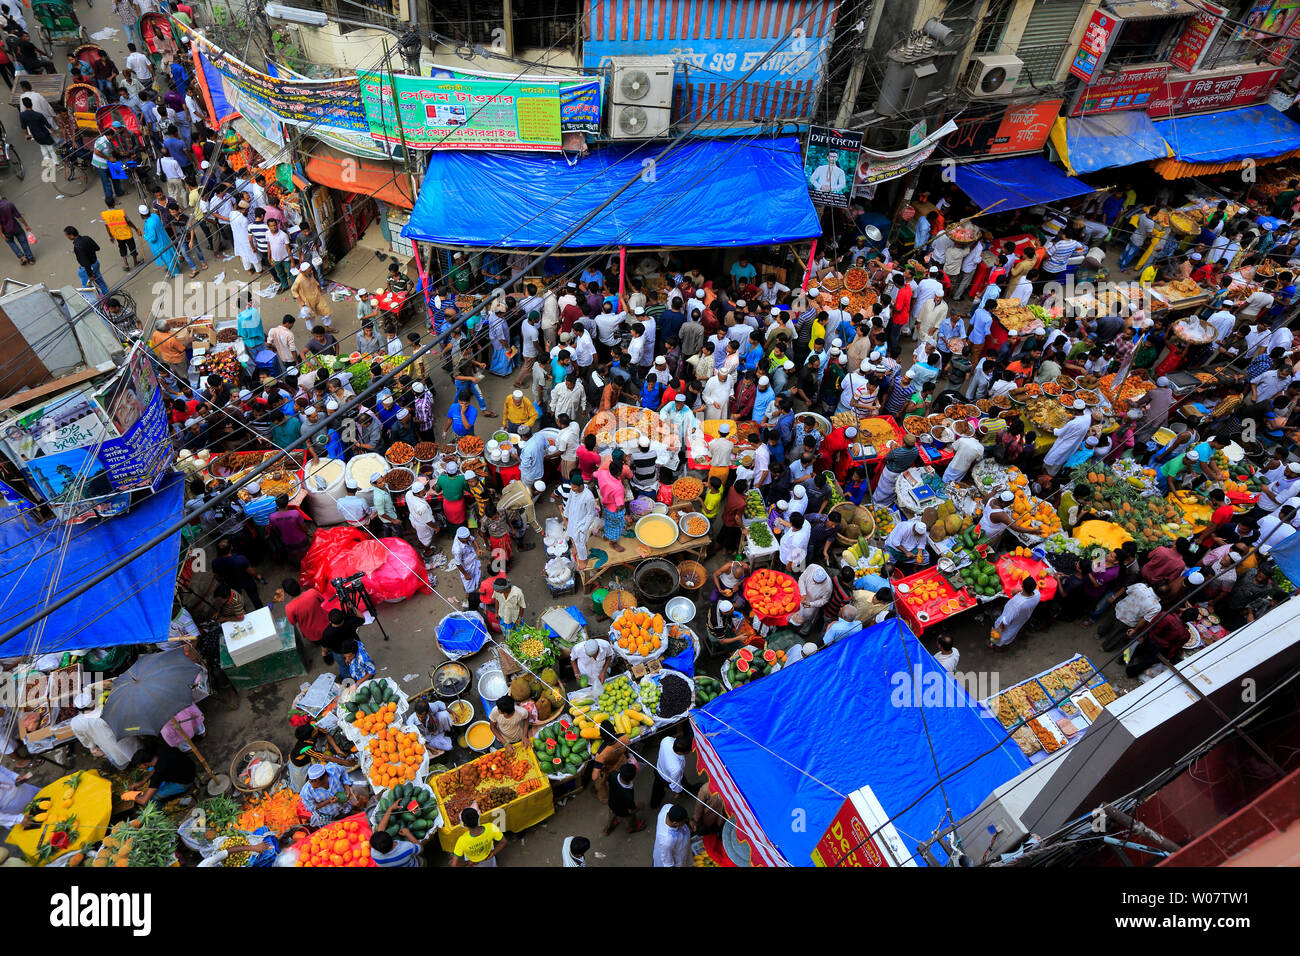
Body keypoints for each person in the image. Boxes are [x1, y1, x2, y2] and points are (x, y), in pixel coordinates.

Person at [131, 741, 196, 804]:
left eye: (139, 766)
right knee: (151, 768)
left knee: (152, 799)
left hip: (186, 781)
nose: (140, 767)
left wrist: (132, 796)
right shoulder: (159, 748)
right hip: (190, 766)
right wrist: (143, 781)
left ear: (143, 764)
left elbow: (143, 800)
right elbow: (154, 768)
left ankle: (161, 810)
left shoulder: (158, 773)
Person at [991, 577, 1040, 649]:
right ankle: (1000, 643)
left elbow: (1005, 622)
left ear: (1022, 586)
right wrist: (1020, 591)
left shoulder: (1016, 604)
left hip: (1009, 622)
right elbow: (1029, 593)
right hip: (1022, 618)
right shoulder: (1037, 594)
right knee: (1013, 631)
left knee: (1002, 636)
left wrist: (996, 634)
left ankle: (996, 645)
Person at [65, 226, 109, 297]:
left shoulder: (77, 246)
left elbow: (86, 263)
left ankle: (101, 299)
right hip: (95, 263)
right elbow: (97, 248)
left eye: (67, 235)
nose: (67, 237)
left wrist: (90, 275)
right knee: (100, 281)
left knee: (88, 287)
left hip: (87, 269)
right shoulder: (87, 238)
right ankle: (107, 294)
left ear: (71, 235)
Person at [650, 734, 692, 808]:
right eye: (689, 750)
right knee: (683, 783)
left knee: (657, 788)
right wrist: (678, 792)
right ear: (680, 752)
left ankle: (654, 804)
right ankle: (688, 791)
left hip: (658, 769)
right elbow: (675, 783)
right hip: (667, 778)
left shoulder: (666, 740)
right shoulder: (676, 768)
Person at [604, 762, 644, 835]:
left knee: (611, 817)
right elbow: (630, 811)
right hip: (623, 812)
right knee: (630, 819)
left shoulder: (613, 774)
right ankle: (632, 829)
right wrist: (639, 807)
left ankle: (607, 829)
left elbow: (607, 779)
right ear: (632, 778)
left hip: (612, 804)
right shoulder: (628, 795)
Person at [451, 525, 481, 610]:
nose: (469, 538)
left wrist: (478, 549)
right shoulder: (457, 549)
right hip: (466, 567)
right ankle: (468, 596)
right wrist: (465, 574)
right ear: (461, 538)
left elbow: (473, 539)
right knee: (468, 584)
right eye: (467, 538)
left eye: (468, 537)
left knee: (476, 575)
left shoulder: (465, 536)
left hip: (472, 560)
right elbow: (458, 564)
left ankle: (474, 585)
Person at [0, 194, 32, 265]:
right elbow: (18, 216)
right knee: (23, 242)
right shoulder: (9, 204)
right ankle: (30, 259)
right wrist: (26, 225)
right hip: (16, 227)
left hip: (6, 231)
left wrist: (1, 233)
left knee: (11, 243)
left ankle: (22, 257)